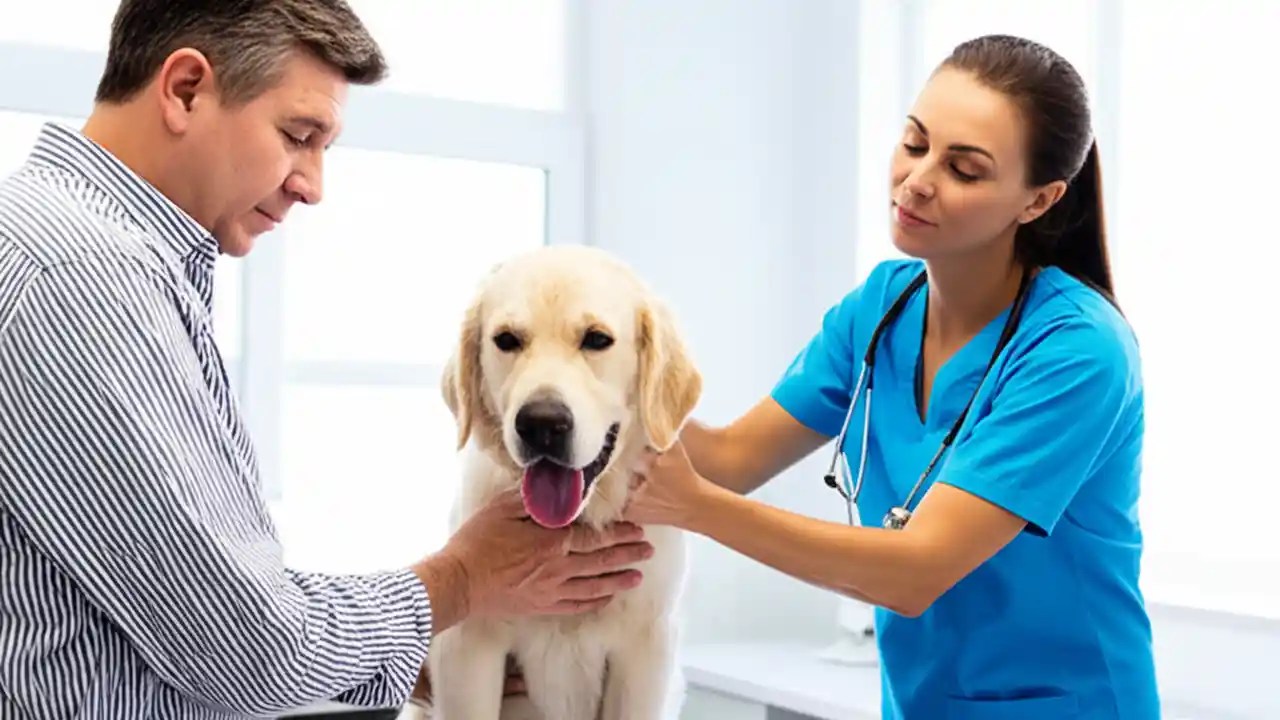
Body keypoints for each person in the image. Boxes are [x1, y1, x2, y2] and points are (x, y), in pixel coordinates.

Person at [0, 1, 650, 718]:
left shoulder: (58, 245)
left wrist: (400, 665)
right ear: (185, 89)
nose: (312, 185)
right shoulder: (85, 279)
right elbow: (247, 651)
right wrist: (460, 580)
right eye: (297, 136)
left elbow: (144, 618)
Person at [623, 34, 1161, 720]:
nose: (918, 180)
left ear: (1039, 200)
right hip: (923, 702)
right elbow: (729, 458)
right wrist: (601, 390)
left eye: (964, 169)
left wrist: (694, 506)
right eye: (914, 143)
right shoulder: (882, 307)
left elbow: (915, 572)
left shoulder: (1078, 351)